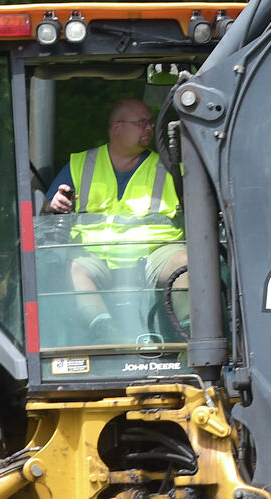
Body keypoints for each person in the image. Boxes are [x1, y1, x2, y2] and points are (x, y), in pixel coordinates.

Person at [44, 98, 186, 338]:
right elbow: (48, 205)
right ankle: (107, 333)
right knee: (75, 267)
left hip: (154, 256)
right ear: (117, 128)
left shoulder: (171, 168)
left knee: (185, 260)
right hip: (96, 256)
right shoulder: (80, 164)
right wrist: (54, 203)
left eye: (151, 123)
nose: (150, 128)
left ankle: (191, 334)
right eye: (142, 123)